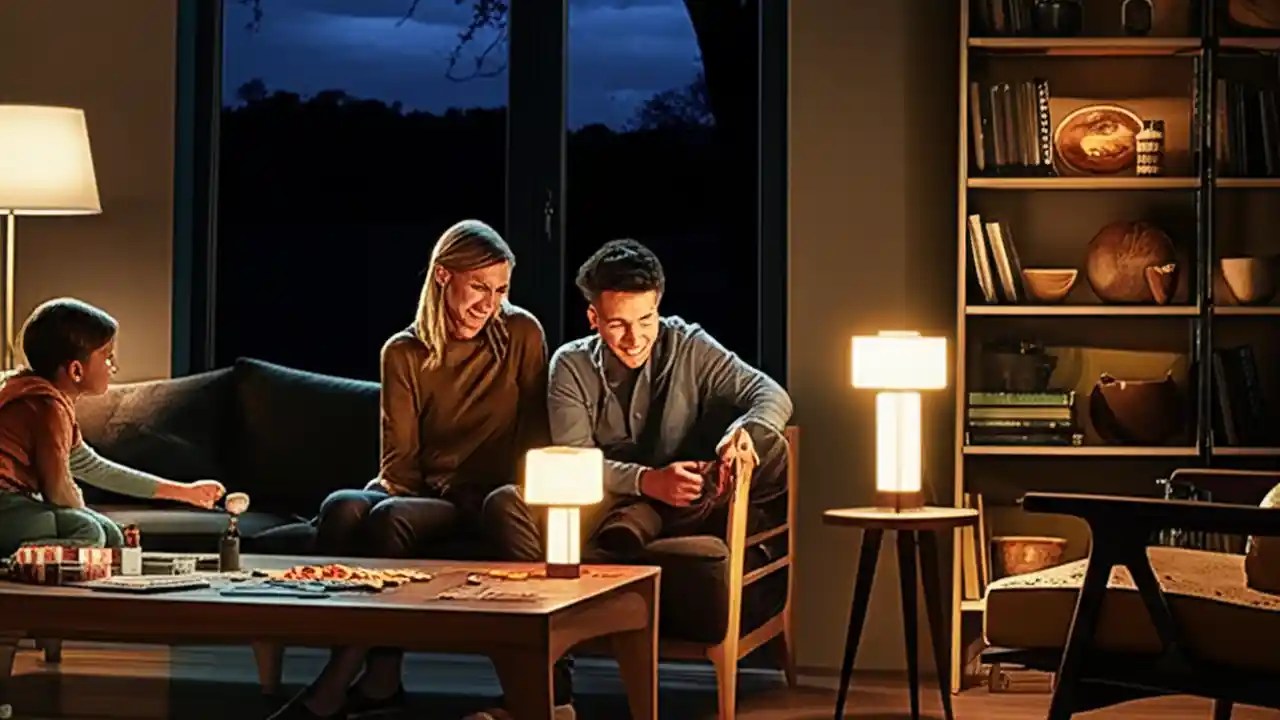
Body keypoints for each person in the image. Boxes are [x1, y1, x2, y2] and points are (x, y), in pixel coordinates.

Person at [270, 219, 575, 720]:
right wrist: (395, 492)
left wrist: (508, 492)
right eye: (478, 287)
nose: (489, 303)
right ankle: (382, 676)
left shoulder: (522, 333)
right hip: (432, 495)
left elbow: (536, 439)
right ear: (441, 276)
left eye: (499, 290)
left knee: (388, 519)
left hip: (496, 497)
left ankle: (340, 684)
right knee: (342, 508)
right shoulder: (404, 352)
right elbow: (400, 463)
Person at [548, 238, 793, 556]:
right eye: (618, 324)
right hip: (601, 500)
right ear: (594, 319)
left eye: (646, 320)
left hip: (684, 494)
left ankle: (637, 524)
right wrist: (647, 481)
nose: (634, 338)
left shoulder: (689, 345)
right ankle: (632, 524)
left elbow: (771, 393)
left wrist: (743, 432)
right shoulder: (570, 364)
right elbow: (573, 462)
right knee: (509, 503)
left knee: (768, 447)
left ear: (657, 308)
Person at [0, 298, 226, 555]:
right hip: (5, 504)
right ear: (76, 370)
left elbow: (94, 468)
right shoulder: (46, 406)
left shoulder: (45, 399)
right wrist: (83, 512)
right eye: (107, 358)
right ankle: (12, 564)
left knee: (111, 535)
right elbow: (58, 489)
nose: (113, 367)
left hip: (13, 507)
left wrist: (185, 492)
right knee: (90, 532)